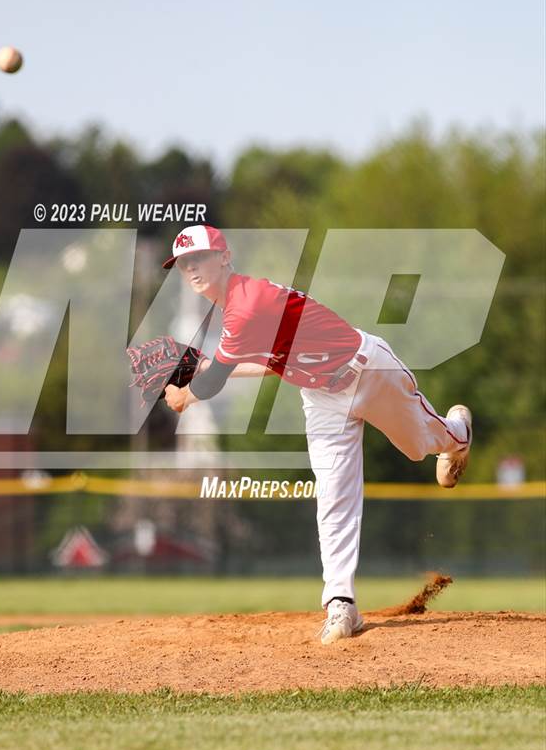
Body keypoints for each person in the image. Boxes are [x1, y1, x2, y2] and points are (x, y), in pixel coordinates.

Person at [162, 226, 472, 644]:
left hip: (367, 371)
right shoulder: (237, 307)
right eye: (183, 264)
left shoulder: (247, 303)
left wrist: (185, 396)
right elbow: (270, 362)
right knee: (333, 493)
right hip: (322, 396)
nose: (191, 268)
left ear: (224, 256)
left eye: (198, 257)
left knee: (418, 447)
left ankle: (458, 434)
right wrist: (201, 371)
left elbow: (216, 380)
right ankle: (341, 603)